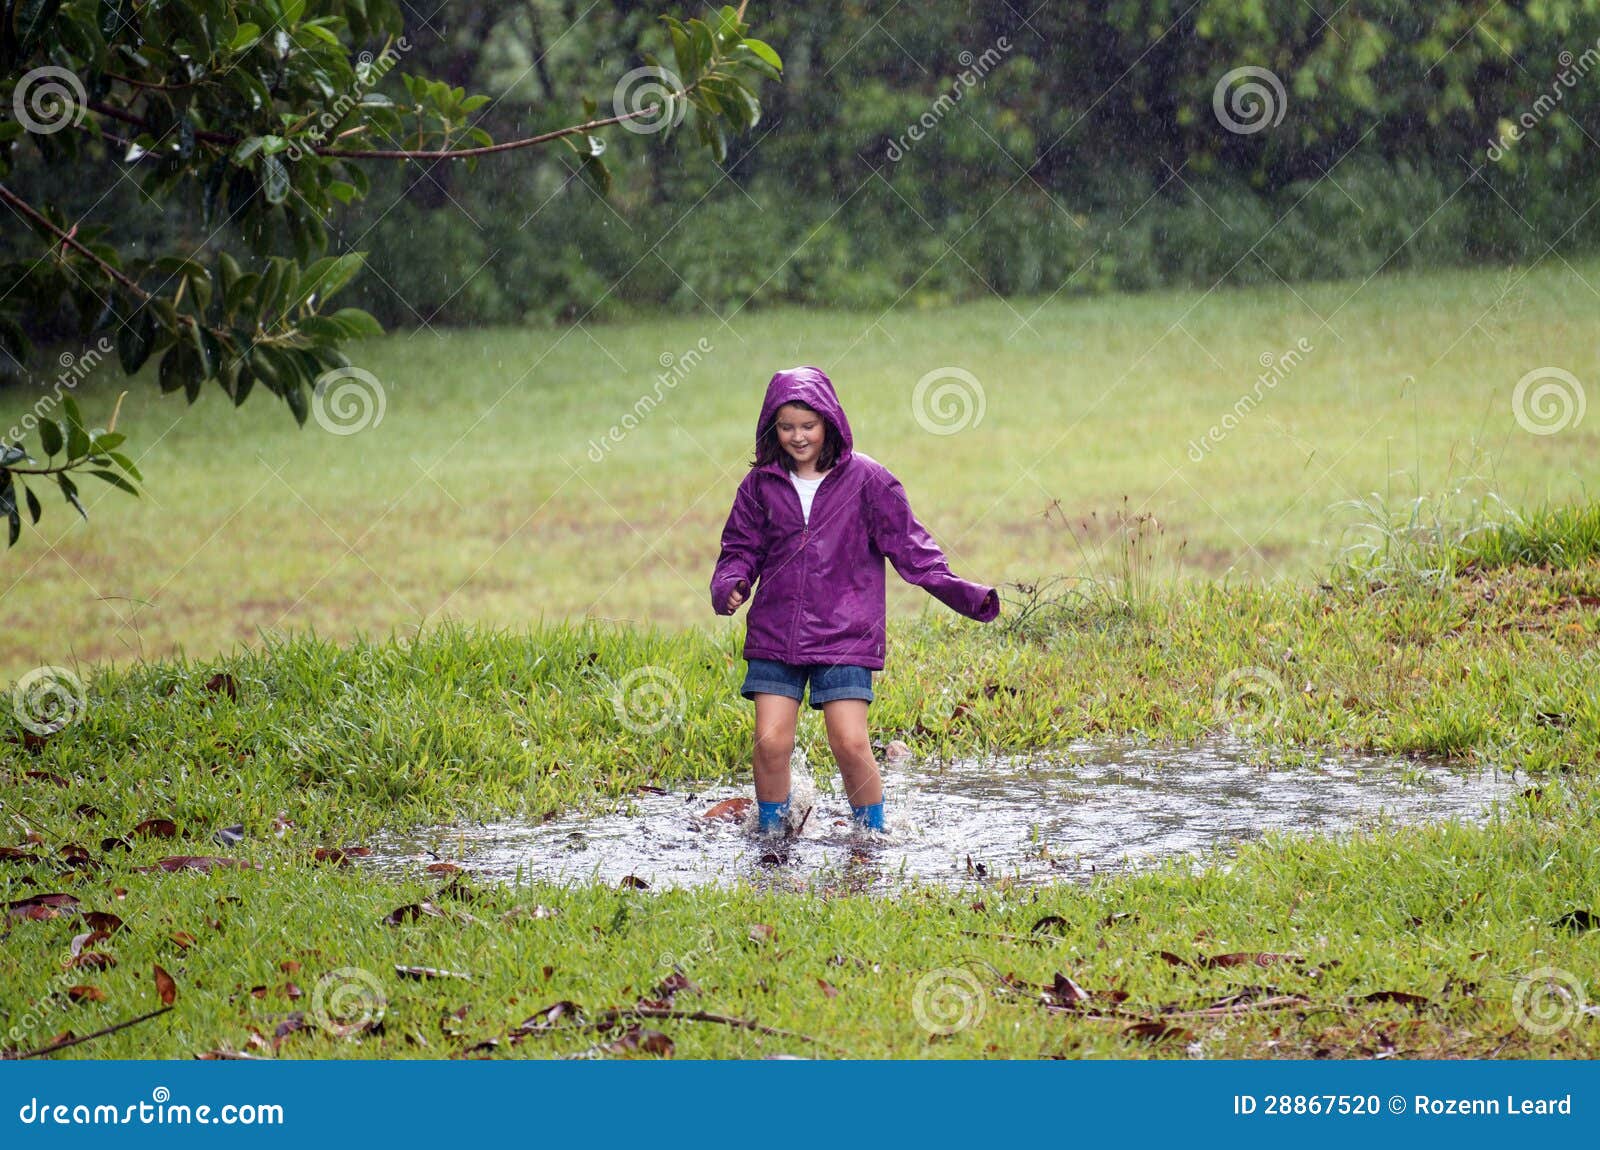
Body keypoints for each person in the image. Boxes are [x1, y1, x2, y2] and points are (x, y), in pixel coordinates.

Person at [709, 365, 1000, 836]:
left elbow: (913, 548)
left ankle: (873, 834)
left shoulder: (868, 480)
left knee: (849, 741)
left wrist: (965, 595)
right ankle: (772, 837)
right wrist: (731, 584)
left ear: (829, 422)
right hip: (775, 630)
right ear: (771, 427)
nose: (798, 437)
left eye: (808, 426)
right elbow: (739, 550)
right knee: (769, 742)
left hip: (846, 630)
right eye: (786, 427)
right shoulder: (759, 486)